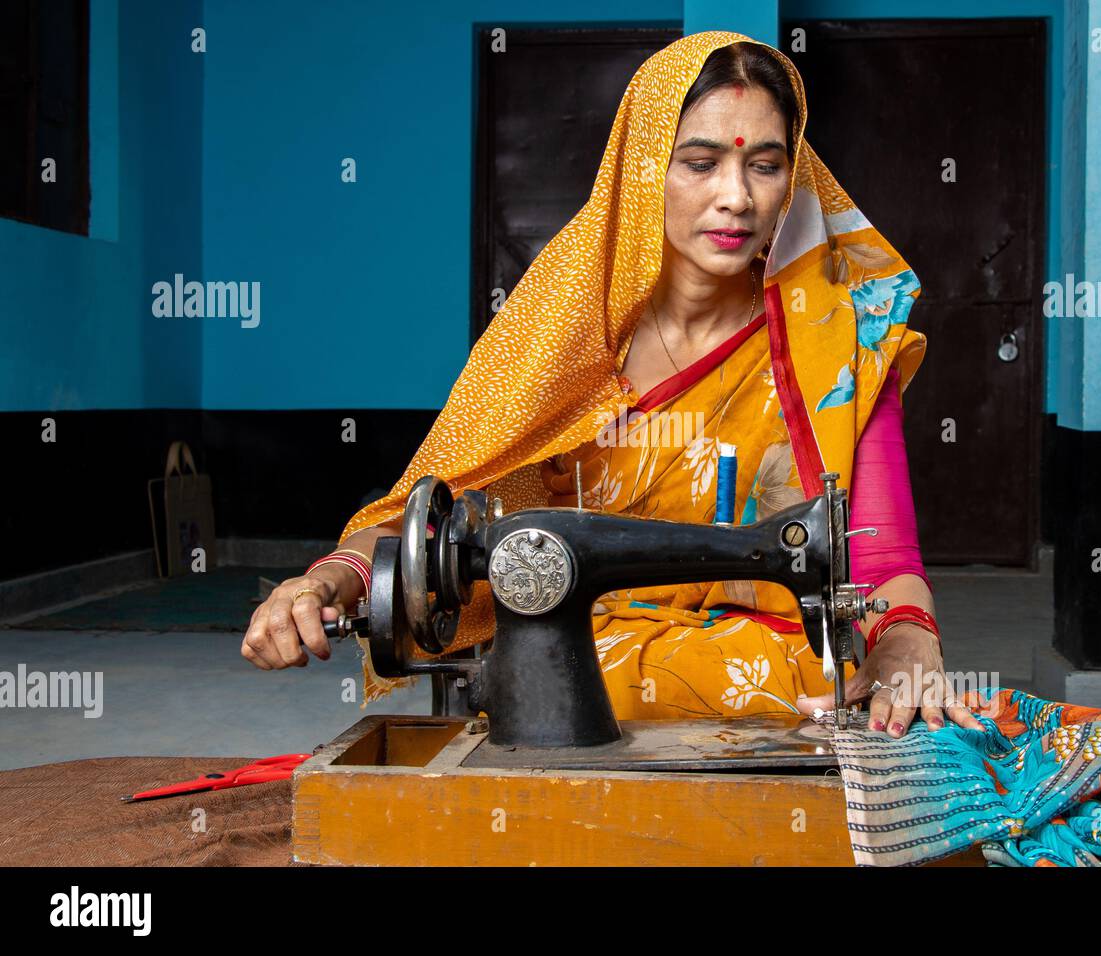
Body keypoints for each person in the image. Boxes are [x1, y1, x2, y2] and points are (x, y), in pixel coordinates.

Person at [240, 32, 984, 738]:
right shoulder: (563, 332)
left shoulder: (837, 346)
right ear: (640, 171)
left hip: (784, 687)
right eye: (699, 163)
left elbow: (885, 562)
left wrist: (906, 645)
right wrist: (325, 584)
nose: (737, 197)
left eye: (764, 164)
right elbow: (435, 520)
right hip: (573, 671)